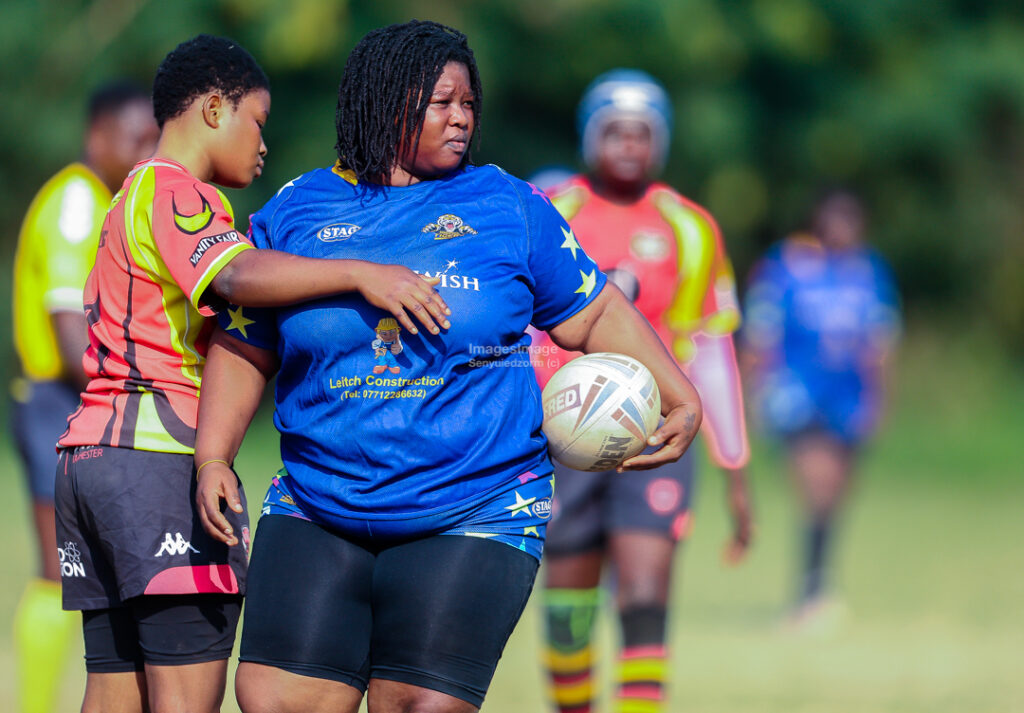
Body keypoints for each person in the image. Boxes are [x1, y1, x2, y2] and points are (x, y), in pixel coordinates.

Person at [192, 20, 703, 713]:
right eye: (442, 103)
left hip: (475, 506)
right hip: (318, 503)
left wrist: (681, 396)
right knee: (276, 700)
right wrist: (214, 456)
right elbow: (245, 341)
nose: (462, 117)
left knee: (418, 705)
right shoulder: (298, 209)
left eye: (469, 104)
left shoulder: (510, 206)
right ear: (386, 102)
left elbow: (594, 311)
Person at [53, 34, 450, 713]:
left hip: (90, 456)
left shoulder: (126, 195)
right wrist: (363, 273)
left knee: (114, 693)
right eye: (258, 123)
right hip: (158, 456)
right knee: (186, 696)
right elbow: (236, 275)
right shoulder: (179, 193)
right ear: (214, 109)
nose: (263, 146)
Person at [530, 69, 753, 713]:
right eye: (615, 131)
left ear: (661, 141)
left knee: (646, 596)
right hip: (564, 437)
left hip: (658, 436)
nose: (629, 144)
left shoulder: (690, 227)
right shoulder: (551, 212)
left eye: (643, 132)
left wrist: (734, 465)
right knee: (568, 610)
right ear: (589, 137)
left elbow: (709, 349)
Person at [9, 80, 159, 713]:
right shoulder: (76, 202)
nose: (148, 152)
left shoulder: (106, 201)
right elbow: (75, 343)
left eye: (155, 139)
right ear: (98, 135)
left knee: (96, 574)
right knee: (59, 570)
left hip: (77, 402)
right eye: (137, 138)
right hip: (57, 401)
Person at [743, 188, 900, 626]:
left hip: (848, 396)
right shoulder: (787, 265)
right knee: (818, 484)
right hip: (796, 392)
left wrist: (881, 398)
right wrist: (751, 391)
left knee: (835, 495)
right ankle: (810, 593)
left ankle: (818, 582)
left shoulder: (871, 272)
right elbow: (760, 332)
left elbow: (881, 342)